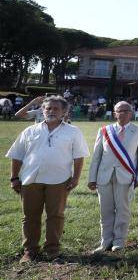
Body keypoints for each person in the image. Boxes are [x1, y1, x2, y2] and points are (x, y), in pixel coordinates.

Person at [6, 95, 89, 261]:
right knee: (30, 217)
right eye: (48, 108)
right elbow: (16, 155)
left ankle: (52, 250)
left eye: (56, 108)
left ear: (64, 112)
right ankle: (30, 251)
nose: (51, 111)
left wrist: (76, 178)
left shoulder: (73, 132)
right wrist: (14, 178)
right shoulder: (30, 130)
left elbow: (79, 157)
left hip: (59, 180)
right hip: (30, 180)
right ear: (42, 110)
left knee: (55, 216)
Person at [87, 101, 138, 253]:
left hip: (126, 177)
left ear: (131, 112)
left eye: (125, 110)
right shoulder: (104, 130)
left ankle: (119, 241)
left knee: (122, 210)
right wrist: (91, 178)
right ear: (114, 113)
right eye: (118, 111)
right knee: (105, 210)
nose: (122, 113)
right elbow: (96, 156)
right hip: (104, 177)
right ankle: (105, 242)